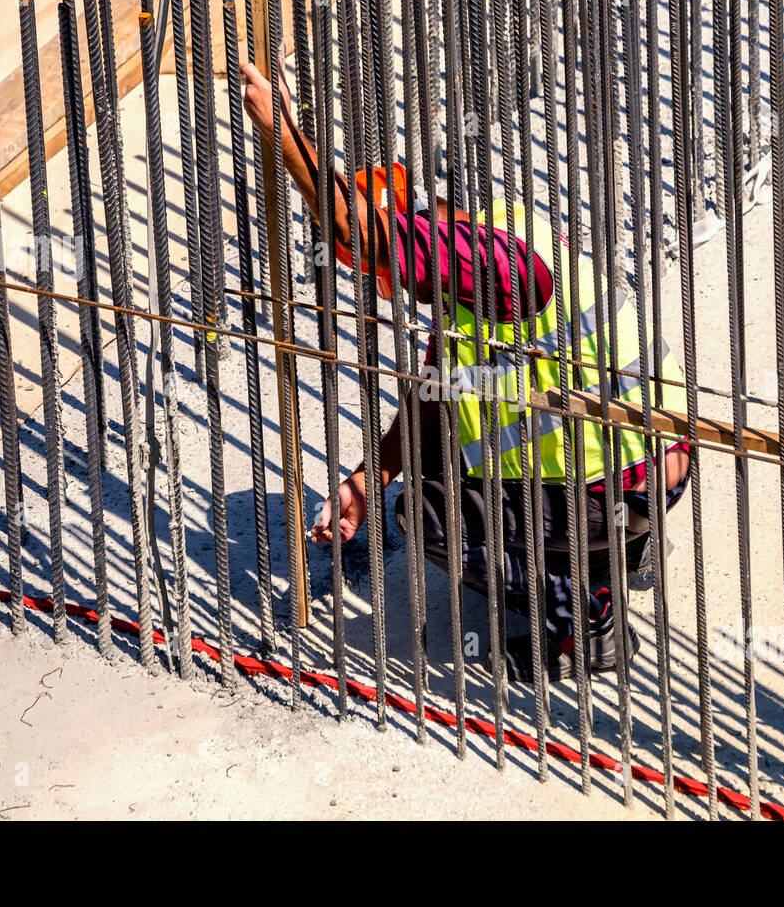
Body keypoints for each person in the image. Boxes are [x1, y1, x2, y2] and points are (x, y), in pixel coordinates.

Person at [241, 62, 690, 683]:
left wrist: (282, 134)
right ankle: (607, 551)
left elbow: (369, 234)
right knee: (429, 473)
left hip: (623, 477)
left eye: (379, 266)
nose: (382, 281)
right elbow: (431, 400)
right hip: (643, 461)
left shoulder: (498, 267)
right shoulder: (468, 290)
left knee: (425, 517)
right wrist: (365, 483)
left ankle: (587, 625)